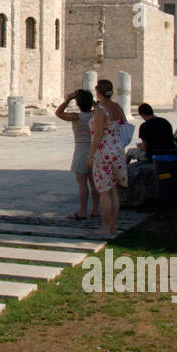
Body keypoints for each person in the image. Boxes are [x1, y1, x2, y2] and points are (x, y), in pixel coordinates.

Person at [87, 78, 128, 239]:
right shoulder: (117, 107)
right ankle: (113, 226)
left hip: (104, 150)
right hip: (117, 149)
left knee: (104, 190)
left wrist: (91, 154)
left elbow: (98, 134)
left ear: (98, 92)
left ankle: (105, 227)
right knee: (113, 190)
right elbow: (123, 123)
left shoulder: (100, 110)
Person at [55, 89, 99, 221]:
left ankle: (82, 211)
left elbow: (58, 113)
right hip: (95, 149)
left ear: (78, 103)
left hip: (81, 150)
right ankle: (96, 209)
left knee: (82, 183)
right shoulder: (96, 115)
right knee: (94, 183)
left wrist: (68, 99)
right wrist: (94, 103)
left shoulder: (76, 117)